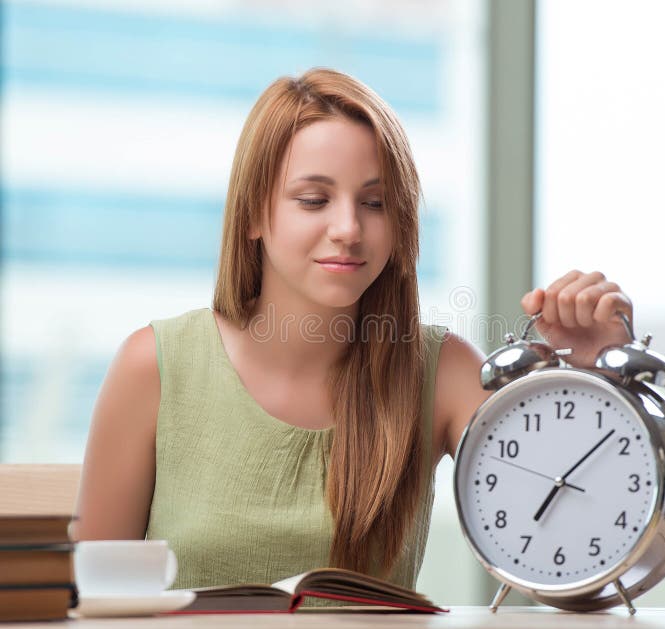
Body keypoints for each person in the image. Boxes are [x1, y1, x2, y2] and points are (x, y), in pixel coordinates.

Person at [73, 68, 632, 593]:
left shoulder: (443, 372)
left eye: (374, 202)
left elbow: (576, 553)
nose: (348, 229)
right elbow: (88, 604)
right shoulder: (154, 367)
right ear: (254, 215)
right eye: (313, 200)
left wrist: (596, 383)